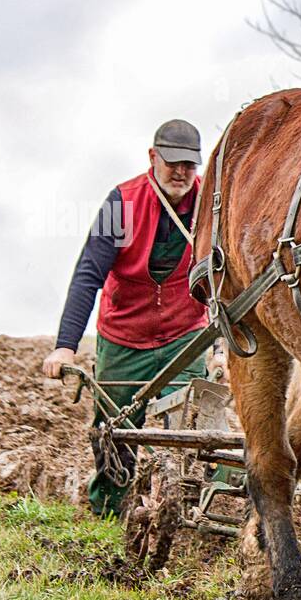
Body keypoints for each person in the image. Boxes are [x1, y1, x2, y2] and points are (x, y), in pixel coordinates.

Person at [42, 119, 213, 517]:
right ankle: (109, 511)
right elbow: (88, 275)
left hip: (184, 336)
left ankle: (178, 511)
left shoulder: (211, 205)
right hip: (124, 336)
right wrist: (66, 347)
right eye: (172, 162)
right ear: (153, 157)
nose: (181, 172)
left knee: (183, 426)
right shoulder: (119, 203)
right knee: (114, 430)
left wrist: (220, 344)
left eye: (189, 165)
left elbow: (228, 274)